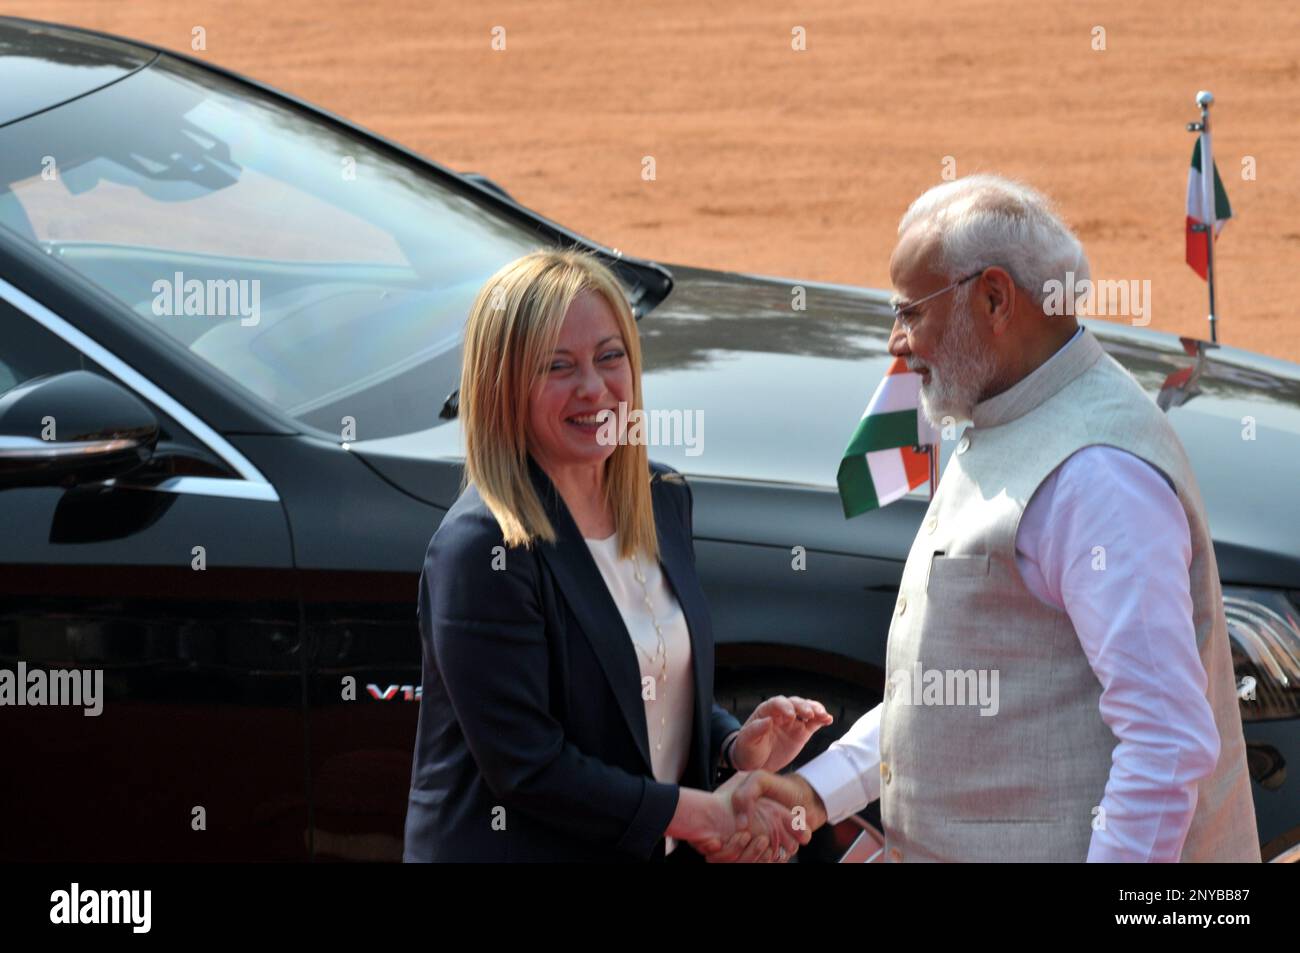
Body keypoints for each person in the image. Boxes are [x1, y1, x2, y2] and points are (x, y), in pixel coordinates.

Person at [731, 175, 1260, 862]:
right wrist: (816, 791)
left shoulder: (1098, 476)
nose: (898, 342)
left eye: (911, 312)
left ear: (993, 297)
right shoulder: (1009, 411)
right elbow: (961, 685)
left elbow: (1165, 742)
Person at [403, 248, 832, 862]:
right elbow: (529, 766)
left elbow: (639, 682)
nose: (593, 387)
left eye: (610, 357)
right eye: (557, 366)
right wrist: (697, 814)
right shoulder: (483, 549)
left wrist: (733, 748)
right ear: (503, 387)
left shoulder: (662, 499)